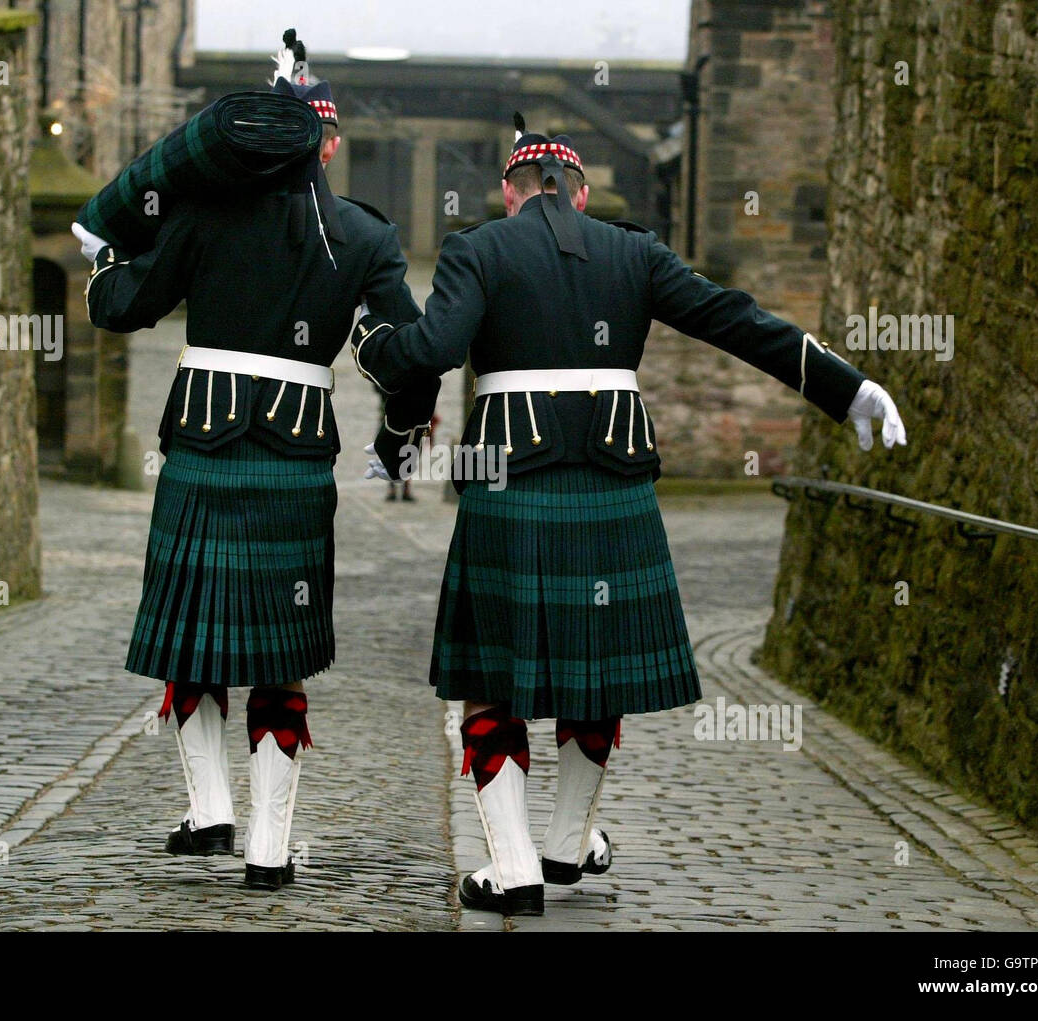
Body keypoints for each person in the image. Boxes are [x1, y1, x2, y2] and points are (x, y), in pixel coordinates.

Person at [352, 115, 905, 916]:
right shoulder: (635, 252)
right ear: (579, 194)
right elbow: (737, 321)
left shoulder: (479, 249)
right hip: (616, 493)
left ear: (511, 193)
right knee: (596, 668)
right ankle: (568, 845)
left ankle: (513, 870)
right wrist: (844, 386)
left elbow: (429, 351)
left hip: (512, 489)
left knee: (489, 678)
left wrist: (371, 341)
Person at [77, 29, 435, 891]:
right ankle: (266, 850)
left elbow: (125, 308)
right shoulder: (364, 236)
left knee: (189, 638)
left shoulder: (203, 214)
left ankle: (210, 808)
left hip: (199, 449)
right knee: (281, 654)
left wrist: (102, 262)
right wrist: (397, 442)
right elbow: (408, 359)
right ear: (329, 144)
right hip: (297, 460)